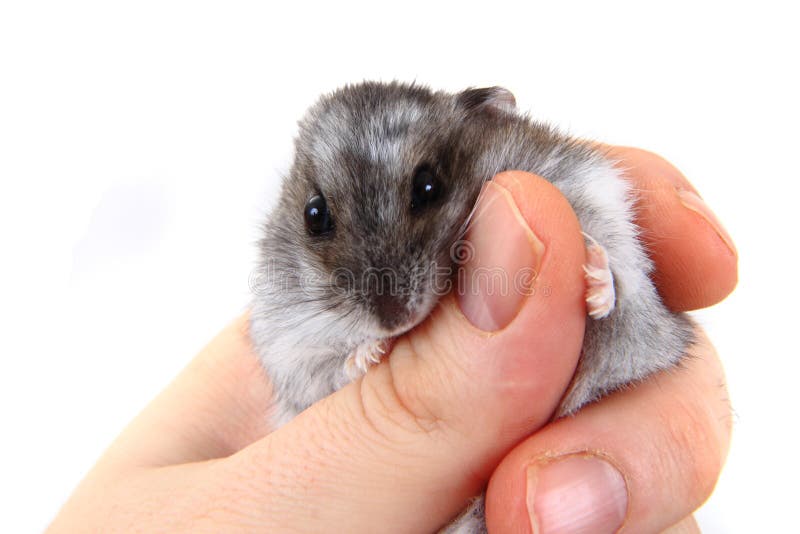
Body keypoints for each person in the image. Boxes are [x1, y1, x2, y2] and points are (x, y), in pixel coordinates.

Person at [48, 147, 737, 534]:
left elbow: (645, 330)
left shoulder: (532, 182)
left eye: (426, 190)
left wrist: (606, 280)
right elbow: (290, 393)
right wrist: (352, 372)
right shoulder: (283, 310)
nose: (385, 295)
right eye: (322, 220)